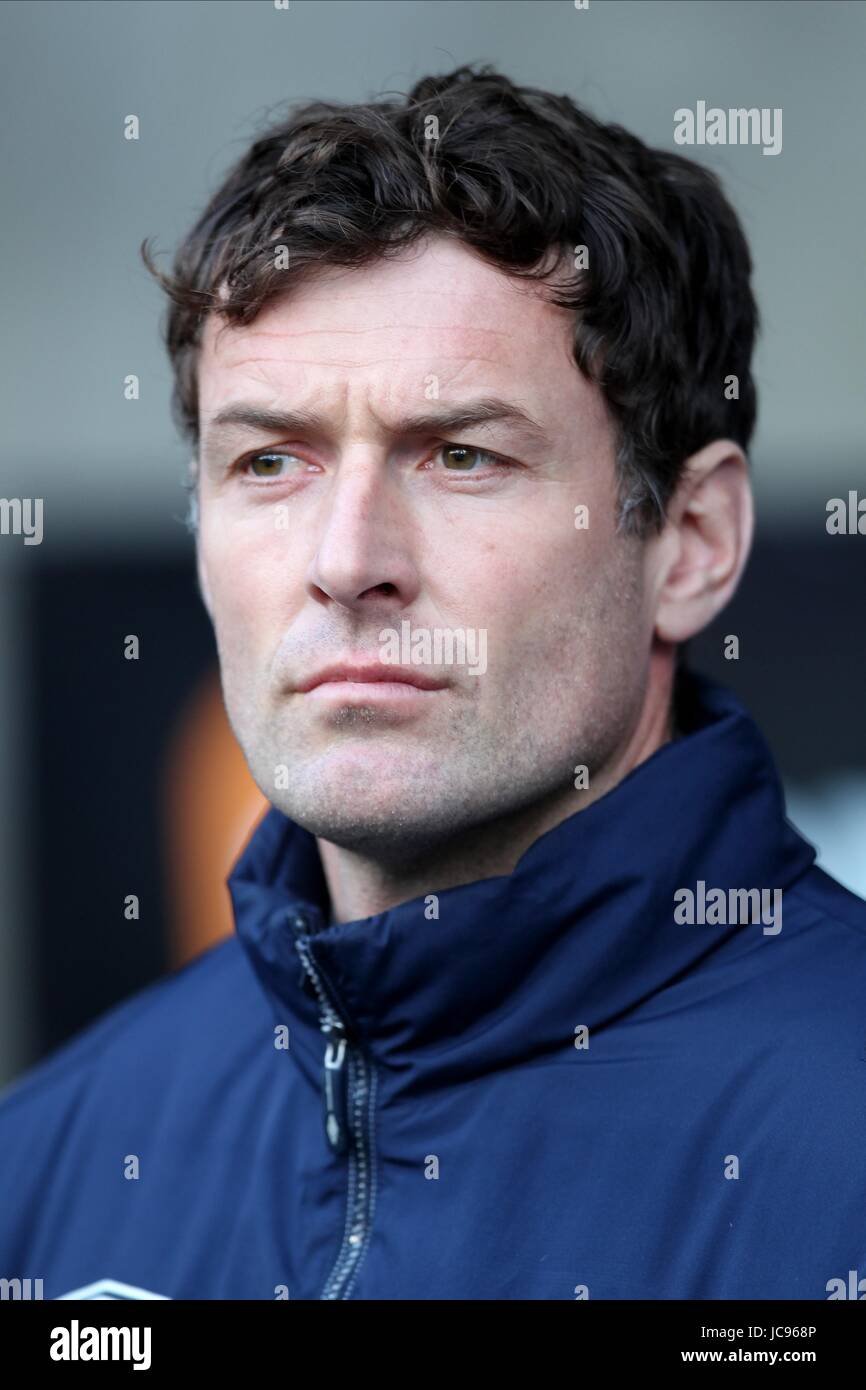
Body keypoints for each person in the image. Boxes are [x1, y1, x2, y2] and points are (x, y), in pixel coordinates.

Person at [1, 64, 864, 1302]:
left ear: (690, 542)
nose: (347, 562)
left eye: (460, 455)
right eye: (269, 462)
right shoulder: (45, 1178)